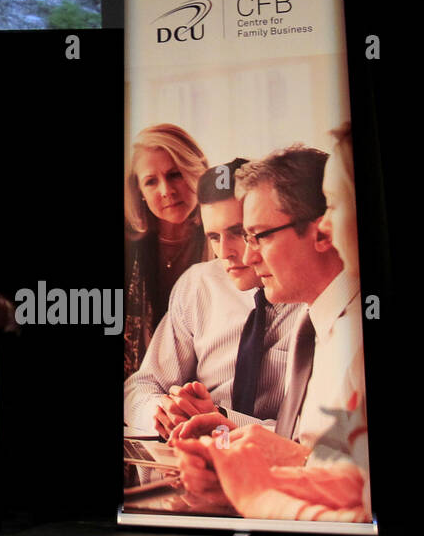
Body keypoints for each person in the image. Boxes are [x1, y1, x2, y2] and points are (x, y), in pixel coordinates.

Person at [170, 136, 371, 521]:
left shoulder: (356, 337)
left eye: (258, 236)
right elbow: (324, 461)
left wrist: (281, 473)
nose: (246, 256)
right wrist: (240, 453)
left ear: (320, 233)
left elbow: (363, 501)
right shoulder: (314, 326)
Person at [124, 159, 303, 437]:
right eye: (214, 237)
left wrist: (219, 422)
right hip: (191, 461)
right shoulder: (199, 284)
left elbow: (309, 436)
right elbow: (138, 389)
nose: (225, 252)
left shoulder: (309, 298)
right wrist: (165, 412)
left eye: (238, 233)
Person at [123, 124, 212, 378]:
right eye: (151, 181)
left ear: (197, 171)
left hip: (203, 384)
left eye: (174, 174)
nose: (166, 191)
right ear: (139, 192)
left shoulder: (222, 236)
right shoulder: (130, 245)